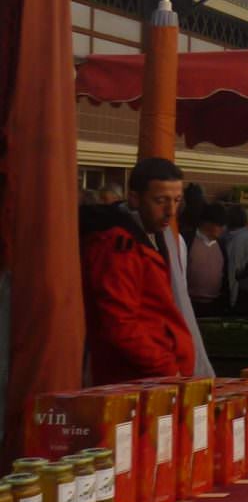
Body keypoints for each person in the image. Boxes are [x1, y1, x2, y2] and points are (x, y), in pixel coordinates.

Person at [79, 156, 197, 384]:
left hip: (154, 377)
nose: (170, 210)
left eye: (177, 201)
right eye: (161, 200)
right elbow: (120, 323)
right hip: (139, 381)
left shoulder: (148, 239)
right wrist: (167, 368)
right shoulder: (119, 246)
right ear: (134, 198)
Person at [185, 210, 227, 316]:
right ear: (208, 224)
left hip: (214, 304)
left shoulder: (221, 245)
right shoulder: (188, 241)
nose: (223, 229)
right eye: (220, 225)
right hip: (189, 303)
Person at [221, 205, 248, 308]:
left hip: (238, 294)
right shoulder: (243, 236)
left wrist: (232, 300)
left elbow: (233, 268)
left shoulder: (238, 240)